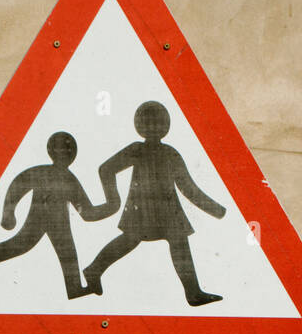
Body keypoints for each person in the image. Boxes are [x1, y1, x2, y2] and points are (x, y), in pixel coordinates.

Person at [83, 101, 226, 305]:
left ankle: (193, 293)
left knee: (178, 241)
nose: (153, 128)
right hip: (142, 208)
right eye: (147, 123)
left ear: (165, 126)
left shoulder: (170, 153)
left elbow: (187, 187)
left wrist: (217, 210)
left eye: (158, 123)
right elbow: (106, 169)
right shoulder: (136, 149)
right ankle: (93, 269)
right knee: (131, 240)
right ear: (139, 126)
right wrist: (113, 200)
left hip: (167, 210)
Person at [0, 132, 108, 299]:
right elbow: (19, 185)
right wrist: (8, 212)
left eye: (66, 150)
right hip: (45, 219)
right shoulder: (50, 174)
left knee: (53, 249)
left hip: (55, 220)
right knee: (29, 245)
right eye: (60, 149)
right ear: (52, 151)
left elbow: (87, 212)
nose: (63, 154)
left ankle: (74, 287)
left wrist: (109, 208)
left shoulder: (62, 177)